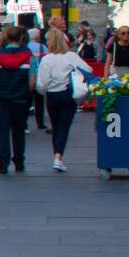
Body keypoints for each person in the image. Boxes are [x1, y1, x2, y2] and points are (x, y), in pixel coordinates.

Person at [35, 27, 92, 172]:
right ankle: (58, 157)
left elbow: (42, 84)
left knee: (56, 126)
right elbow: (88, 70)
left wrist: (43, 92)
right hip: (68, 94)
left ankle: (57, 155)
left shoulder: (46, 59)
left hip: (52, 95)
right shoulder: (71, 56)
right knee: (63, 127)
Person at [0, 25, 35, 175]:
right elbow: (32, 80)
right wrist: (27, 92)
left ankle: (3, 163)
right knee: (19, 130)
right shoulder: (28, 56)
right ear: (22, 38)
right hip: (21, 98)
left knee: (3, 130)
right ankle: (19, 161)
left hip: (2, 97)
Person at [26, 27, 50, 131]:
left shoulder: (26, 47)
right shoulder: (42, 47)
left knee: (27, 100)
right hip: (40, 75)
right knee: (39, 100)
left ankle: (24, 123)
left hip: (28, 75)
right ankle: (40, 122)